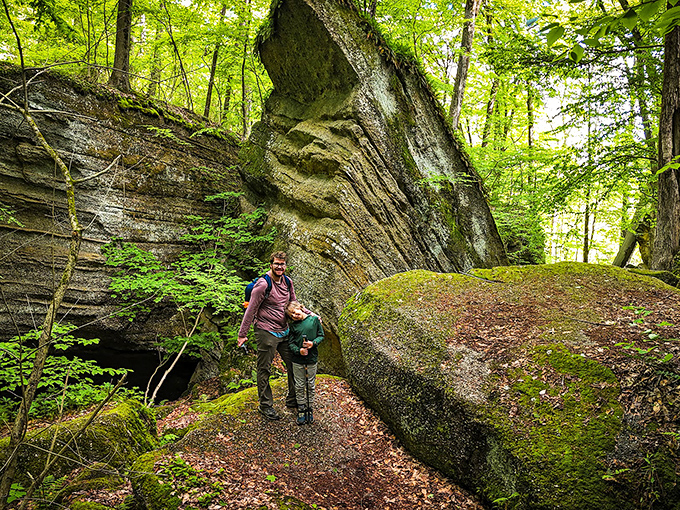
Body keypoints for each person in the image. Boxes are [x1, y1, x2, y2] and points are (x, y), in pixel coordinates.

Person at [237, 251, 298, 421]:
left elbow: (293, 305)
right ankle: (265, 405)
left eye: (282, 264)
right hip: (266, 331)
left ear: (286, 265)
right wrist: (242, 334)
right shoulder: (263, 285)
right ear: (270, 264)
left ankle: (293, 399)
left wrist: (311, 315)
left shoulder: (287, 282)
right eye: (277, 264)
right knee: (264, 369)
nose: (280, 267)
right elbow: (251, 310)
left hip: (284, 331)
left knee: (294, 364)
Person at [285, 300, 324, 425]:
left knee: (310, 385)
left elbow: (321, 335)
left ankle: (309, 408)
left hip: (312, 358)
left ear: (300, 308)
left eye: (294, 312)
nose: (294, 316)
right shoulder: (293, 326)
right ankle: (301, 409)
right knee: (300, 385)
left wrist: (313, 343)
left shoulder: (314, 320)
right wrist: (298, 350)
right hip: (297, 360)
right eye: (291, 315)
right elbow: (290, 343)